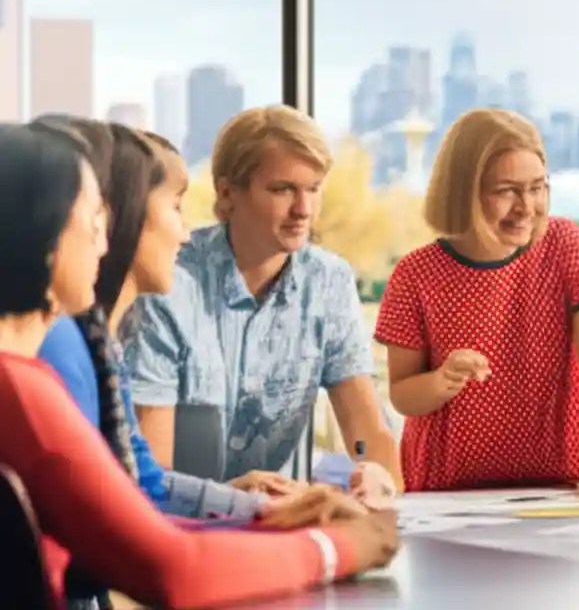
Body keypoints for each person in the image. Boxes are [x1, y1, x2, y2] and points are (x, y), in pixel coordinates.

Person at [0, 119, 397, 607]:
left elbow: (139, 507)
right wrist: (335, 548)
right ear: (43, 235)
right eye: (93, 220)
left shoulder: (36, 372)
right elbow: (170, 569)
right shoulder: (23, 390)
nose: (105, 243)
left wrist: (276, 516)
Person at [125, 106, 401, 499]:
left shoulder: (328, 282)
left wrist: (374, 473)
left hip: (278, 524)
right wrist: (230, 497)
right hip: (183, 526)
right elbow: (151, 478)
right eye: (282, 189)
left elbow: (368, 436)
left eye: (314, 188)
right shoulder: (169, 283)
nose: (303, 209)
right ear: (227, 193)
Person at [38, 120, 298, 521]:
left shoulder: (102, 346)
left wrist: (253, 507)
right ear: (125, 216)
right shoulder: (64, 348)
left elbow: (143, 484)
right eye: (175, 208)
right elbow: (116, 519)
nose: (185, 233)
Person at [375, 108, 579, 494]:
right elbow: (402, 395)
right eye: (507, 191)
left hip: (560, 489)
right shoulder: (415, 275)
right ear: (464, 193)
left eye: (538, 187)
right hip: (444, 495)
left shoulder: (569, 247)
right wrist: (443, 380)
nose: (527, 206)